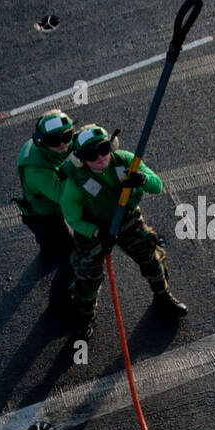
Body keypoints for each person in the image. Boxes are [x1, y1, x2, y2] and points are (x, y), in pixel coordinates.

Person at [58, 124, 186, 339]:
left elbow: (157, 186)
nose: (100, 157)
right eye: (91, 154)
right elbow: (73, 218)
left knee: (152, 258)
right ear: (80, 159)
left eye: (104, 148)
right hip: (94, 228)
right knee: (87, 276)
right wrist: (97, 232)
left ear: (112, 145)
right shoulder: (74, 184)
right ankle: (84, 317)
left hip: (126, 218)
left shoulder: (127, 161)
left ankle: (162, 295)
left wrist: (142, 180)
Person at [14, 109, 75, 271]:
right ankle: (62, 293)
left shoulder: (50, 145)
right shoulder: (36, 169)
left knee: (48, 245)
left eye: (67, 137)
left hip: (47, 207)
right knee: (70, 256)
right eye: (55, 141)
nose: (63, 144)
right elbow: (63, 195)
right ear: (42, 141)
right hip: (43, 216)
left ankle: (47, 254)